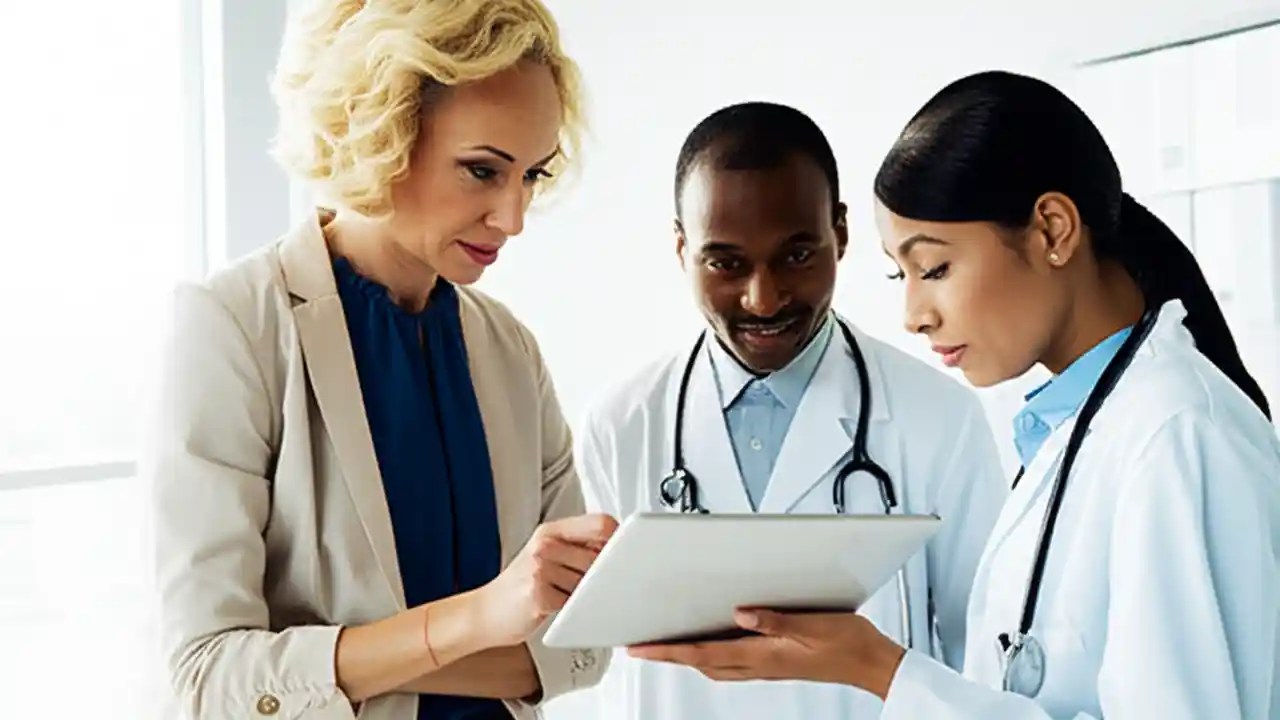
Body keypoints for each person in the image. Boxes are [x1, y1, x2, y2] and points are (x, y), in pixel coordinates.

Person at [628, 71, 1280, 720]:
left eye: (935, 268)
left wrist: (879, 669)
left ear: (1053, 229)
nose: (914, 314)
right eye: (900, 273)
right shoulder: (1079, 432)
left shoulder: (1180, 437)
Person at [144, 2, 615, 718]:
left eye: (532, 177)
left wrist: (354, 663)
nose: (513, 218)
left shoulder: (511, 350)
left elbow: (579, 650)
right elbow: (210, 677)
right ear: (382, 133)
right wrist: (479, 621)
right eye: (483, 171)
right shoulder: (234, 328)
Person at [574, 101, 1008, 719]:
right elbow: (605, 669)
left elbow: (983, 669)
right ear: (681, 249)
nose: (763, 296)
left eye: (797, 256)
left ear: (841, 233)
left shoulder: (939, 419)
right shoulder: (621, 424)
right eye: (726, 263)